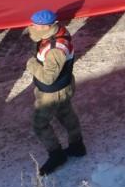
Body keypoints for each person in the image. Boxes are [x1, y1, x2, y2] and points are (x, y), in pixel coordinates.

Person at [22, 10, 86, 174]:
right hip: (61, 87)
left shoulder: (55, 49)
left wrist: (31, 64)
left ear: (47, 26)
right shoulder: (55, 35)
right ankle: (77, 146)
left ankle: (56, 155)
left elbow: (48, 77)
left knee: (40, 124)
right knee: (66, 114)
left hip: (53, 92)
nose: (32, 27)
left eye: (35, 25)